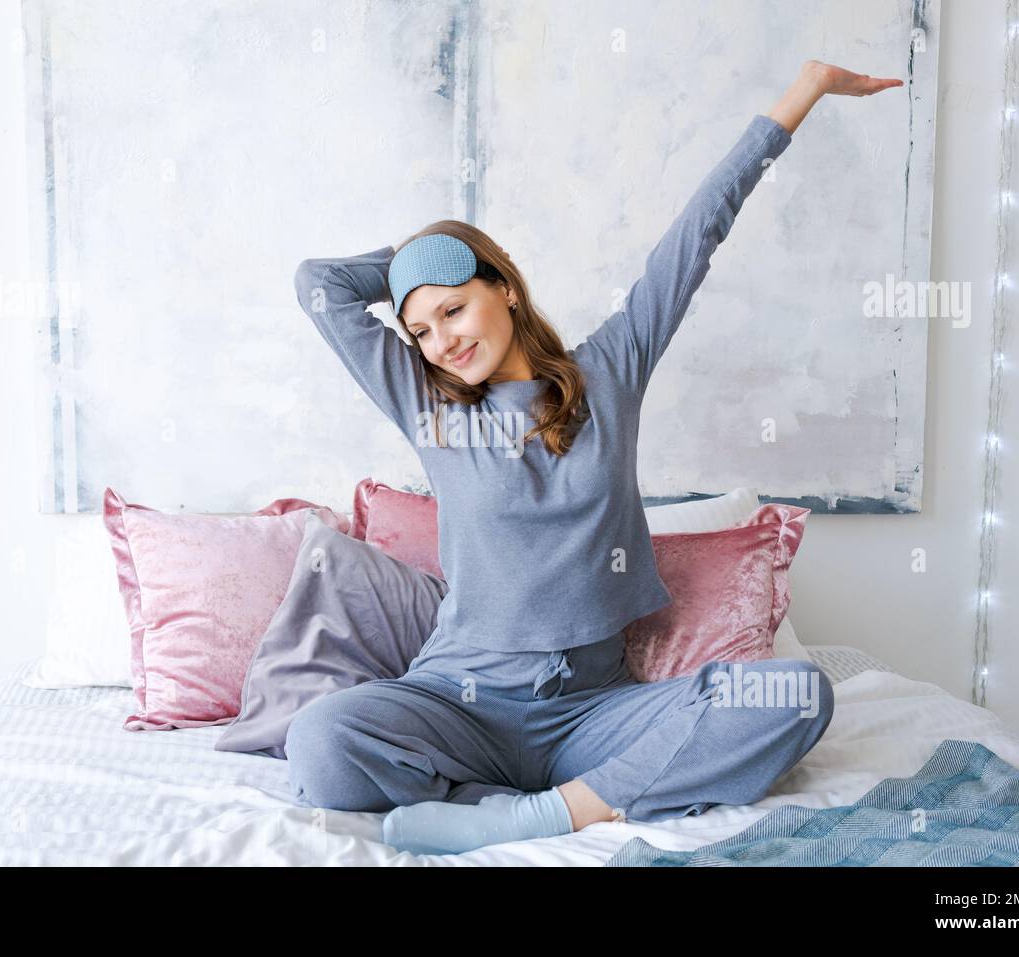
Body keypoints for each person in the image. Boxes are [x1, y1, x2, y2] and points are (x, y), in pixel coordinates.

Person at [286, 60, 902, 856]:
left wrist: (806, 92)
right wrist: (416, 258)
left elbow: (697, 233)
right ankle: (483, 796)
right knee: (321, 742)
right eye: (423, 331)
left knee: (794, 692)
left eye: (454, 307)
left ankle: (532, 815)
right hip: (460, 702)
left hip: (592, 714)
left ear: (503, 287)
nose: (443, 340)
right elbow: (319, 285)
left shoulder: (610, 374)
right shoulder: (428, 406)